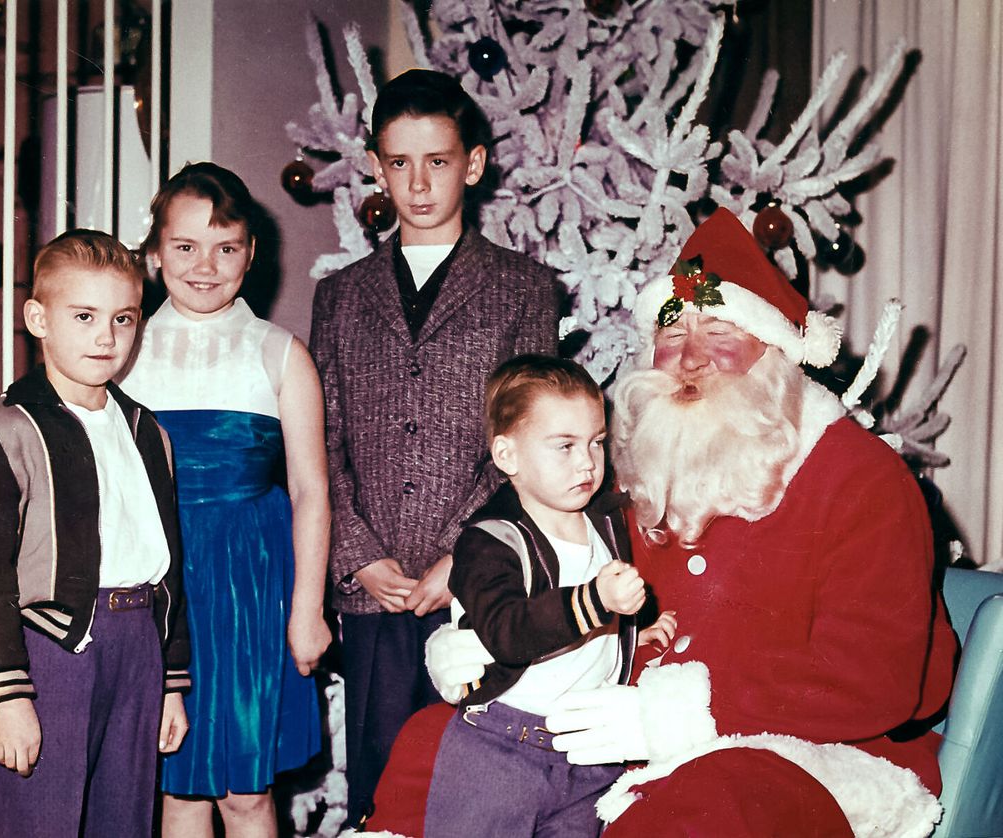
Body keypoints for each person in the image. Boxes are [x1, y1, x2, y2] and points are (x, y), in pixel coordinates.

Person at [424, 207, 958, 837]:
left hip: (815, 754)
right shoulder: (635, 463)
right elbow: (533, 546)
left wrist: (673, 714)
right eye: (673, 332)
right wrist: (472, 634)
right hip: (625, 728)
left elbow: (876, 681)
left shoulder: (860, 477)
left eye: (722, 330)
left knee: (691, 819)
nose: (691, 357)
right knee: (431, 749)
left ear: (775, 349)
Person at [308, 67, 562, 827]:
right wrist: (356, 553)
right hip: (375, 586)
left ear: (474, 164)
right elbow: (323, 440)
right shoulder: (341, 295)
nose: (418, 184)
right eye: (399, 163)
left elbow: (528, 443)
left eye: (439, 161)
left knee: (477, 780)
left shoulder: (523, 289)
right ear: (377, 167)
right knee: (384, 788)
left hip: (479, 585)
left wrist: (464, 554)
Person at [0, 229, 191, 837]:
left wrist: (170, 681)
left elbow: (170, 566)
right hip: (53, 650)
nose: (105, 336)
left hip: (139, 646)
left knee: (124, 820)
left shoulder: (146, 432)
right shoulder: (4, 430)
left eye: (123, 318)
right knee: (41, 822)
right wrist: (7, 693)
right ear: (39, 318)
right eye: (83, 316)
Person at [119, 162, 330, 837]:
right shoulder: (122, 351)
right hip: (160, 588)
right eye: (185, 247)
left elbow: (310, 490)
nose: (204, 266)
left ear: (250, 254)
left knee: (244, 793)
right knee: (175, 788)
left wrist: (307, 612)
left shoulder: (278, 354)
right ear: (154, 254)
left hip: (250, 590)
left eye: (226, 248)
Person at [424, 355, 677, 838]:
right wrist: (596, 602)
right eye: (564, 446)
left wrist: (630, 630)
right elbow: (508, 632)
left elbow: (590, 618)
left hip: (585, 759)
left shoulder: (602, 520)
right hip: (499, 751)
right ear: (508, 455)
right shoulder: (489, 541)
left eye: (596, 443)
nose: (587, 462)